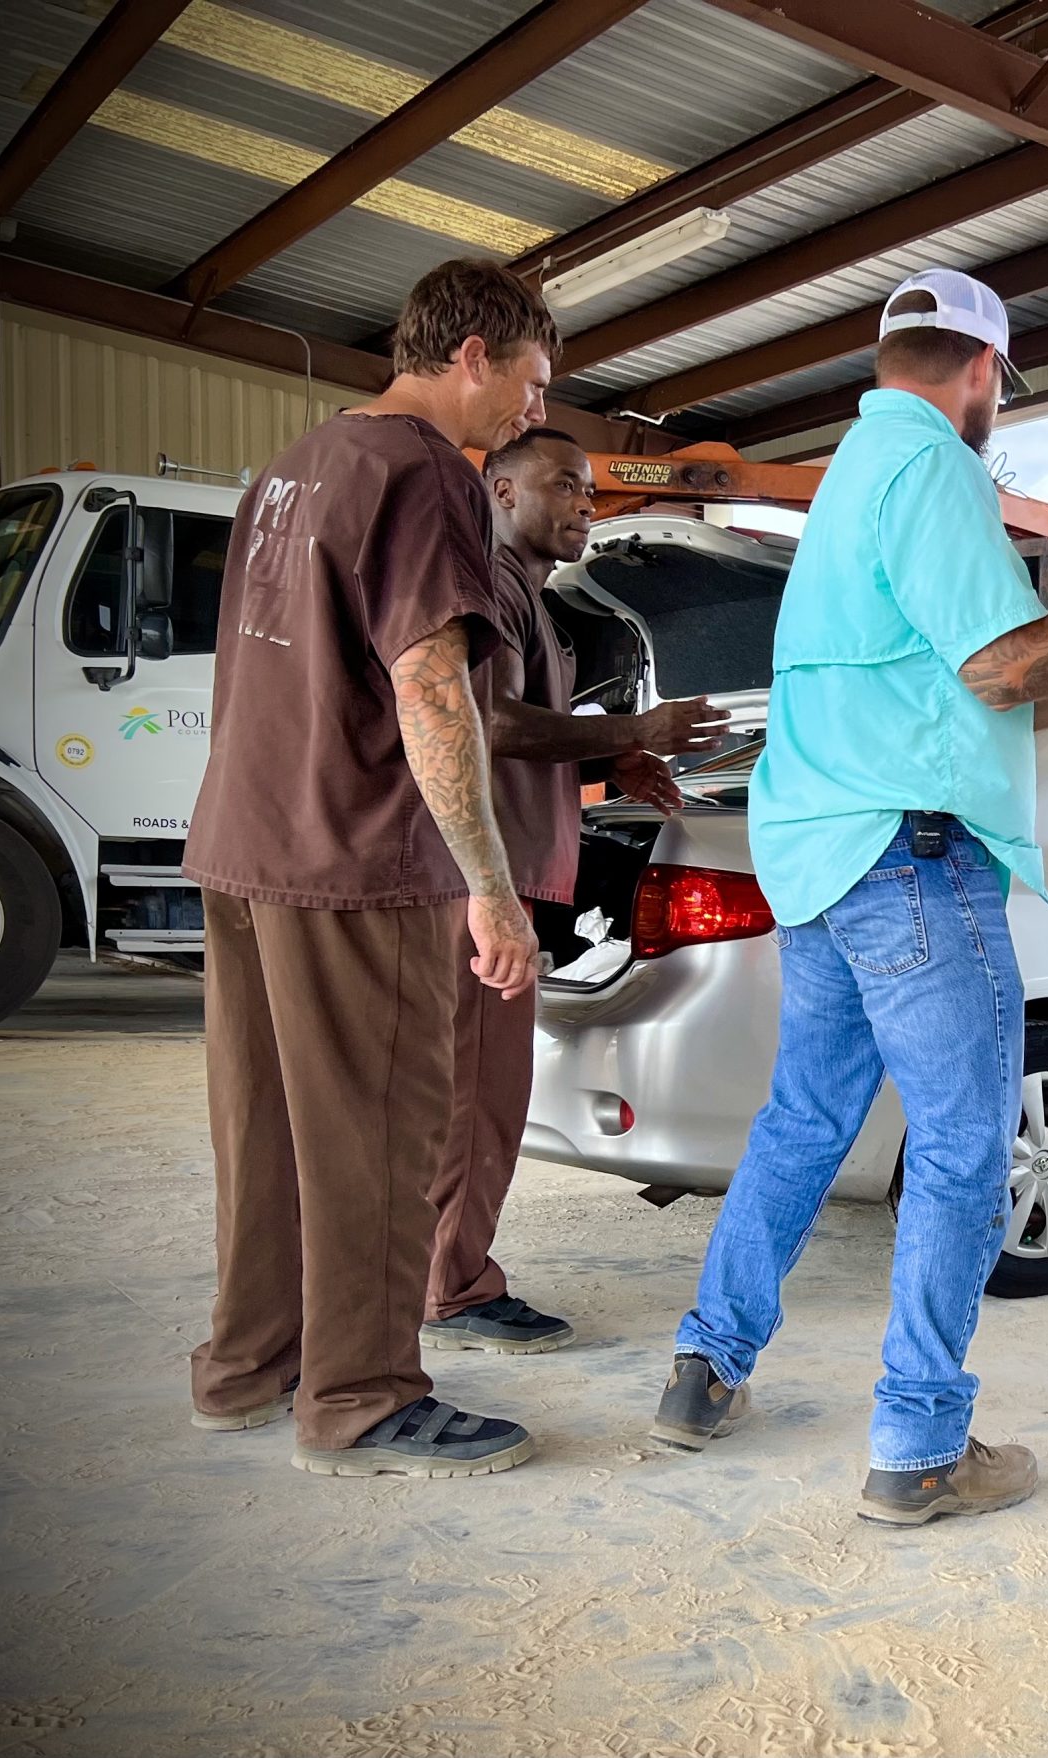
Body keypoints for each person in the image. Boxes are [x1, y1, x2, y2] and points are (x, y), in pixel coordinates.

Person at [652, 268, 1048, 1527]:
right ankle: (917, 1446)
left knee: (803, 1122)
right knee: (963, 1148)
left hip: (820, 857)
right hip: (910, 858)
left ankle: (705, 1370)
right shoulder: (940, 472)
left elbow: (946, 675)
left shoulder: (851, 473)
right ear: (980, 376)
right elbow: (1004, 664)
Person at [184, 259, 552, 1479]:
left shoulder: (297, 464)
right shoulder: (425, 473)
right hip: (355, 858)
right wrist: (491, 888)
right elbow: (431, 684)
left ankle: (250, 1366)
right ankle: (361, 1395)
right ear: (473, 356)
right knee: (381, 1135)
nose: (532, 414)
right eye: (530, 384)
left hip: (248, 843)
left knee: (270, 1129)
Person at [419, 429, 733, 1355]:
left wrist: (613, 757)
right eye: (566, 485)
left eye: (591, 491)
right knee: (479, 1096)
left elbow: (528, 730)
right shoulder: (490, 587)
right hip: (491, 889)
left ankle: (442, 1274)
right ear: (503, 491)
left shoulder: (527, 596)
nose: (585, 504)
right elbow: (493, 723)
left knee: (477, 1094)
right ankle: (454, 1287)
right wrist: (637, 725)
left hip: (512, 879)